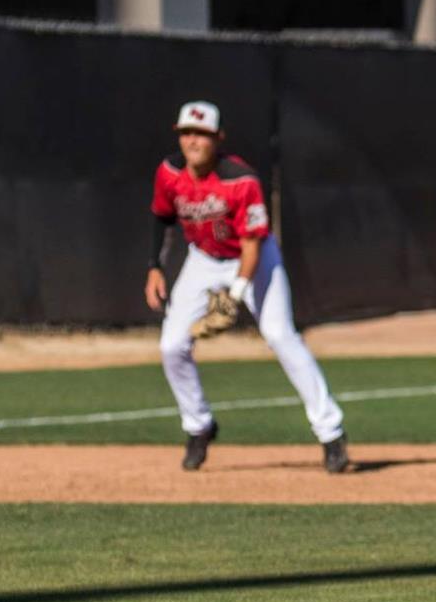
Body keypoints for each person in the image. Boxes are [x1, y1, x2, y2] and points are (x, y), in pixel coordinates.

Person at [145, 100, 350, 473]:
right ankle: (199, 426)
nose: (193, 141)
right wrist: (154, 267)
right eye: (187, 133)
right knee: (171, 344)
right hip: (203, 258)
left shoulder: (241, 180)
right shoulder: (169, 172)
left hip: (252, 258)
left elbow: (252, 245)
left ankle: (331, 433)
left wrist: (235, 295)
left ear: (218, 138)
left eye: (202, 134)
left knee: (279, 335)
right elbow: (161, 217)